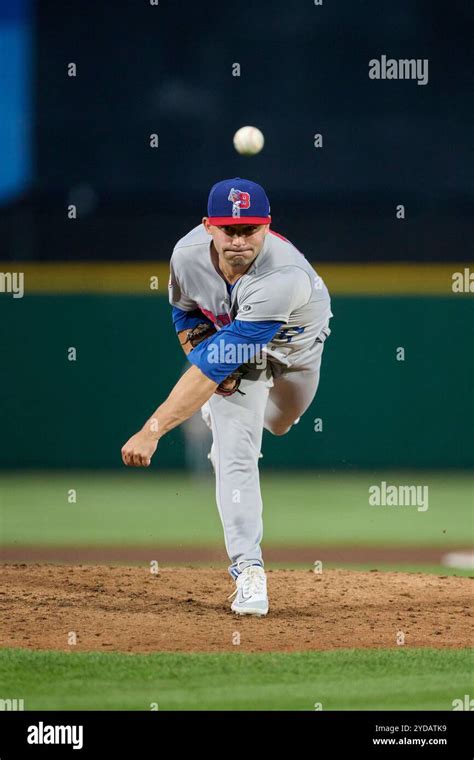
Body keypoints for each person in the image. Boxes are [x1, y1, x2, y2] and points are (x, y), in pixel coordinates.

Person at [121, 177, 332, 616]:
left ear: (268, 227)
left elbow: (207, 369)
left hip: (297, 352)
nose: (238, 240)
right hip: (241, 353)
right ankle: (249, 569)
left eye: (249, 229)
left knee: (280, 422)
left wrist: (152, 428)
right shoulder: (186, 255)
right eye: (228, 230)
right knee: (236, 452)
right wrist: (203, 358)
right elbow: (186, 310)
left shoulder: (282, 276)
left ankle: (236, 420)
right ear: (209, 227)